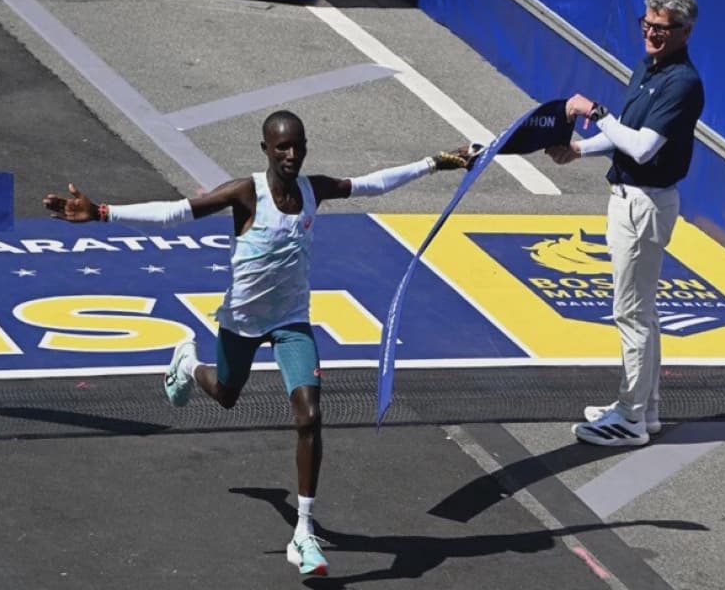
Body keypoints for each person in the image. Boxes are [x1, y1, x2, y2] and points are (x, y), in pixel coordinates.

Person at [43, 110, 471, 575]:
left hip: (291, 322)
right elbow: (176, 213)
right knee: (226, 394)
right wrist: (102, 213)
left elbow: (373, 184)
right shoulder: (246, 194)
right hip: (242, 322)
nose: (291, 154)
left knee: (310, 416)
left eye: (298, 145)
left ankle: (303, 532)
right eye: (281, 146)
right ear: (265, 149)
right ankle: (188, 365)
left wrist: (438, 162)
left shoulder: (313, 190)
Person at [545, 0, 704, 447]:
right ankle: (644, 409)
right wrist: (579, 149)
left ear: (685, 32)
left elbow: (642, 147)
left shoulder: (682, 83)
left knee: (630, 314)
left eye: (662, 28)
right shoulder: (648, 68)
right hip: (632, 199)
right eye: (647, 24)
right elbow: (624, 135)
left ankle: (630, 420)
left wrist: (595, 112)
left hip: (643, 205)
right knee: (644, 314)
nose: (651, 34)